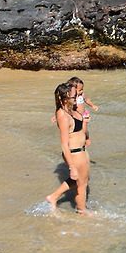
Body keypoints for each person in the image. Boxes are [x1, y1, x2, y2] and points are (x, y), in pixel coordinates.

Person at [44, 82, 90, 214]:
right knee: (81, 184)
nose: (77, 99)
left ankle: (53, 197)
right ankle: (82, 212)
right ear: (65, 99)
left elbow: (80, 130)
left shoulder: (71, 110)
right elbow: (64, 144)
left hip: (82, 151)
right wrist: (72, 167)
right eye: (74, 97)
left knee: (82, 180)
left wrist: (85, 123)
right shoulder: (63, 115)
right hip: (74, 153)